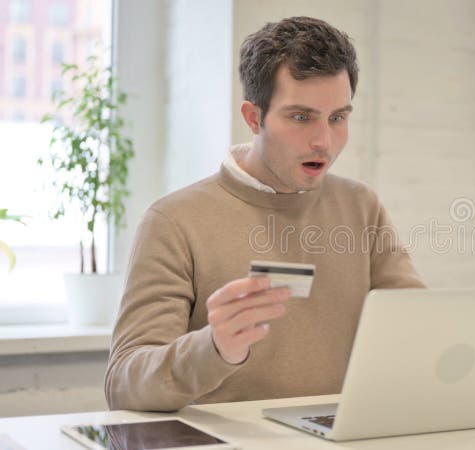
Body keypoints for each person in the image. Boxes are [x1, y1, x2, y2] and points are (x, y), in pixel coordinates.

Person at [105, 16, 425, 412]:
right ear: (254, 118)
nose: (323, 141)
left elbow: (418, 329)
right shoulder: (173, 221)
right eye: (300, 117)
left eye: (338, 118)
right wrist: (215, 347)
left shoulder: (361, 208)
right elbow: (124, 383)